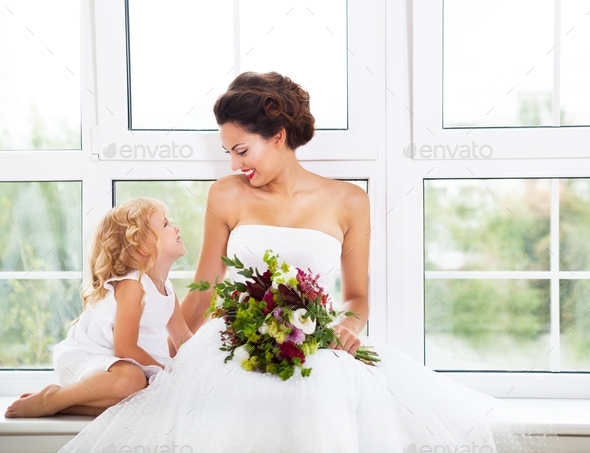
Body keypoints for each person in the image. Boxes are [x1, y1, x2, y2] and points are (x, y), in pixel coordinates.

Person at [56, 73, 559, 452]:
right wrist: (172, 358)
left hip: (316, 343)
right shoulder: (226, 195)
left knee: (317, 406)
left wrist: (348, 323)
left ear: (278, 135)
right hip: (232, 342)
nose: (235, 163)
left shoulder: (348, 202)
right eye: (228, 152)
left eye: (241, 149)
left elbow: (357, 296)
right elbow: (206, 286)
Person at [4, 198, 193, 418]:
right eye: (166, 224)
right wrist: (166, 373)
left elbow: (185, 339)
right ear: (142, 246)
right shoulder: (134, 286)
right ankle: (50, 400)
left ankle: (60, 403)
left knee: (154, 394)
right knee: (134, 380)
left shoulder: (167, 291)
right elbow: (125, 349)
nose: (176, 227)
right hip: (87, 361)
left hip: (119, 368)